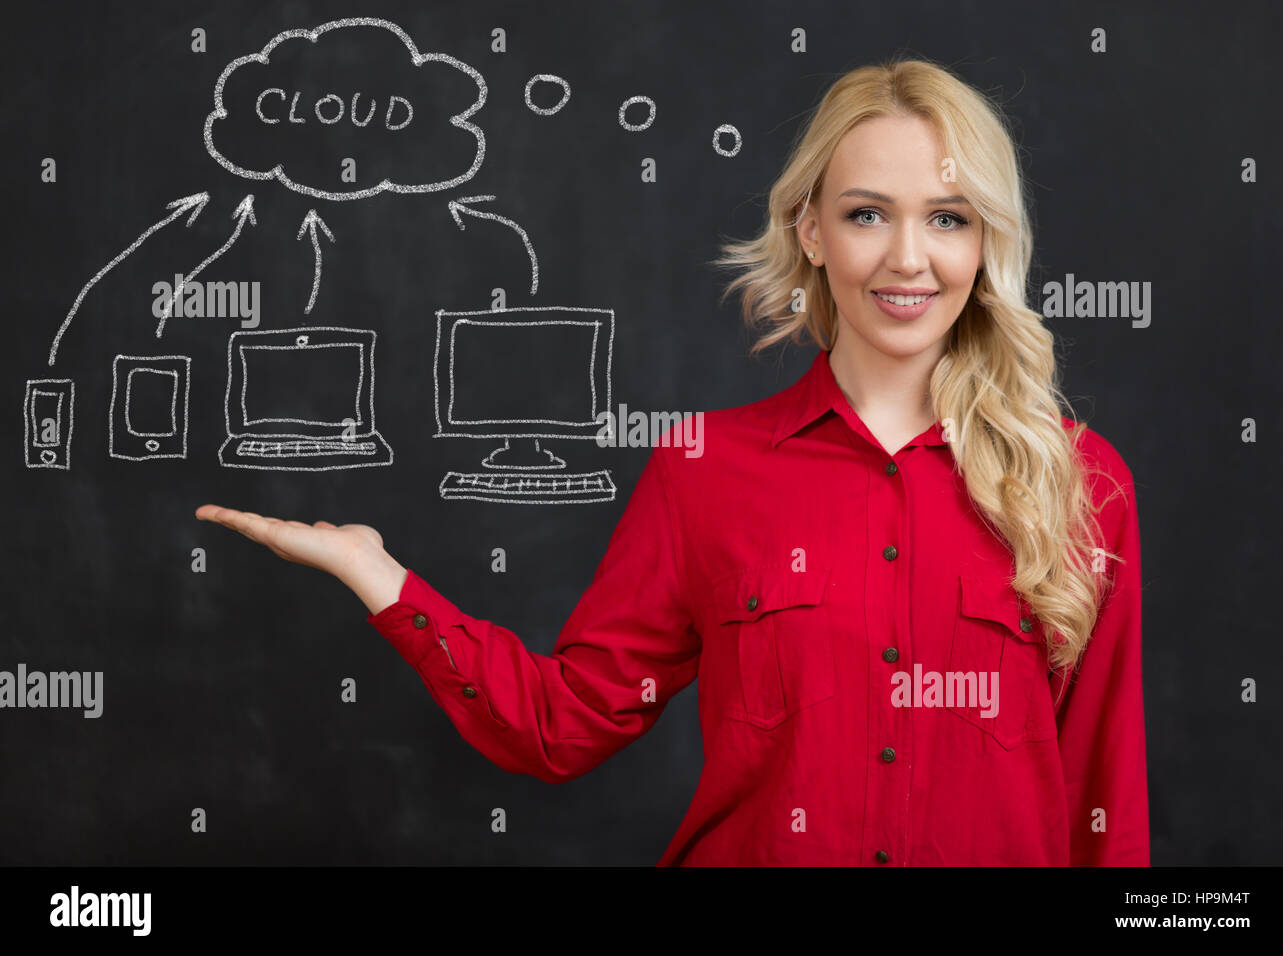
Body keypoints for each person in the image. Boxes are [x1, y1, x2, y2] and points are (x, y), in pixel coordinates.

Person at [197, 57, 1148, 866]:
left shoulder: (1081, 482)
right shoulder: (704, 468)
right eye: (868, 214)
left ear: (986, 243)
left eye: (947, 217)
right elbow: (562, 725)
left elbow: (1104, 795)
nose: (909, 257)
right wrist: (381, 576)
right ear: (811, 232)